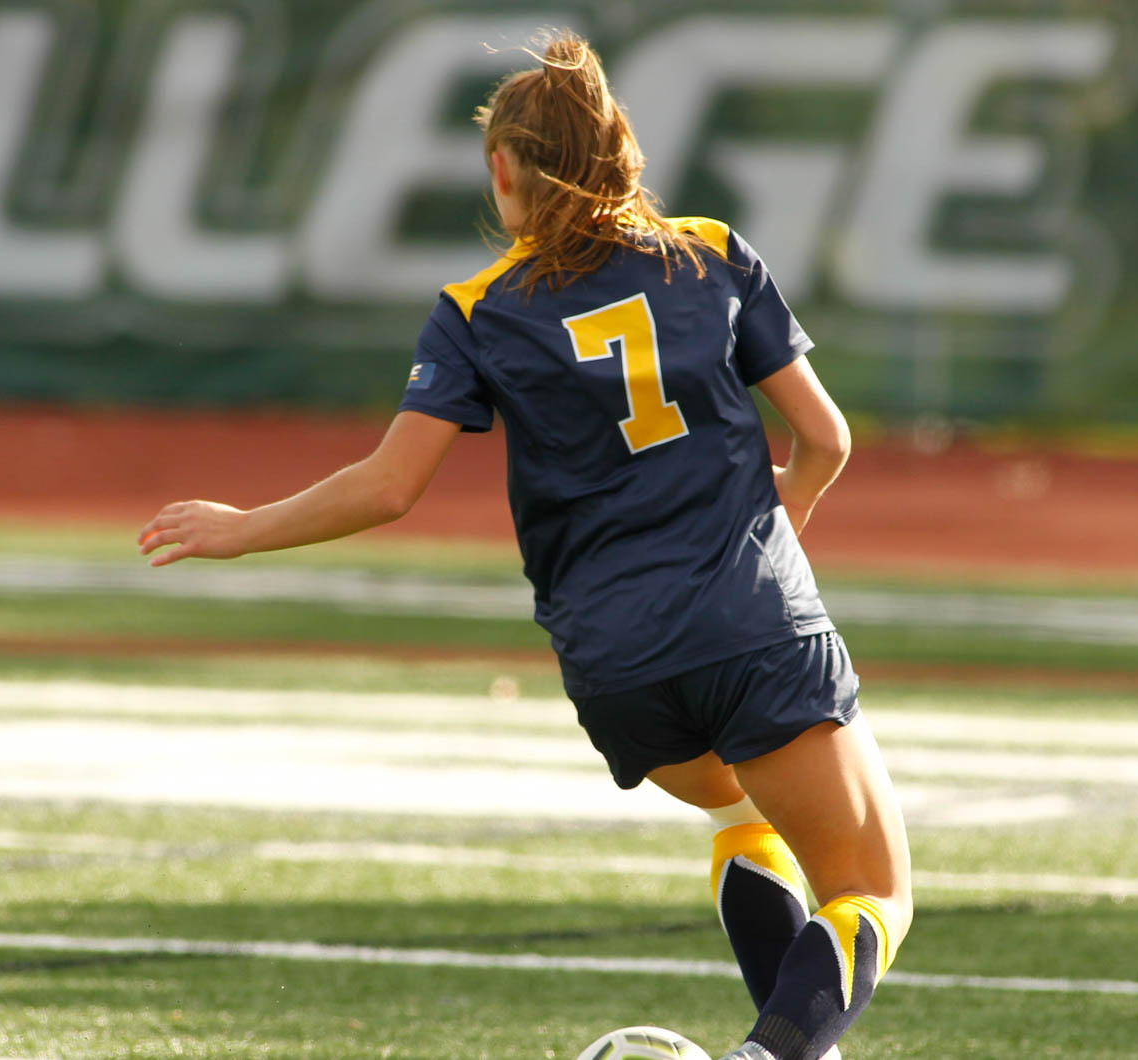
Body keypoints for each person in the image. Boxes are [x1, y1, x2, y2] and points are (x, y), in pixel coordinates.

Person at [137, 29, 911, 1060]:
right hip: (750, 625)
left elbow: (387, 487)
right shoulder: (711, 253)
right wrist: (791, 507)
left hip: (615, 664)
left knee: (739, 814)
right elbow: (825, 438)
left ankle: (795, 1045)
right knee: (874, 893)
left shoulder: (475, 310)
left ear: (504, 168)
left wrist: (241, 529)